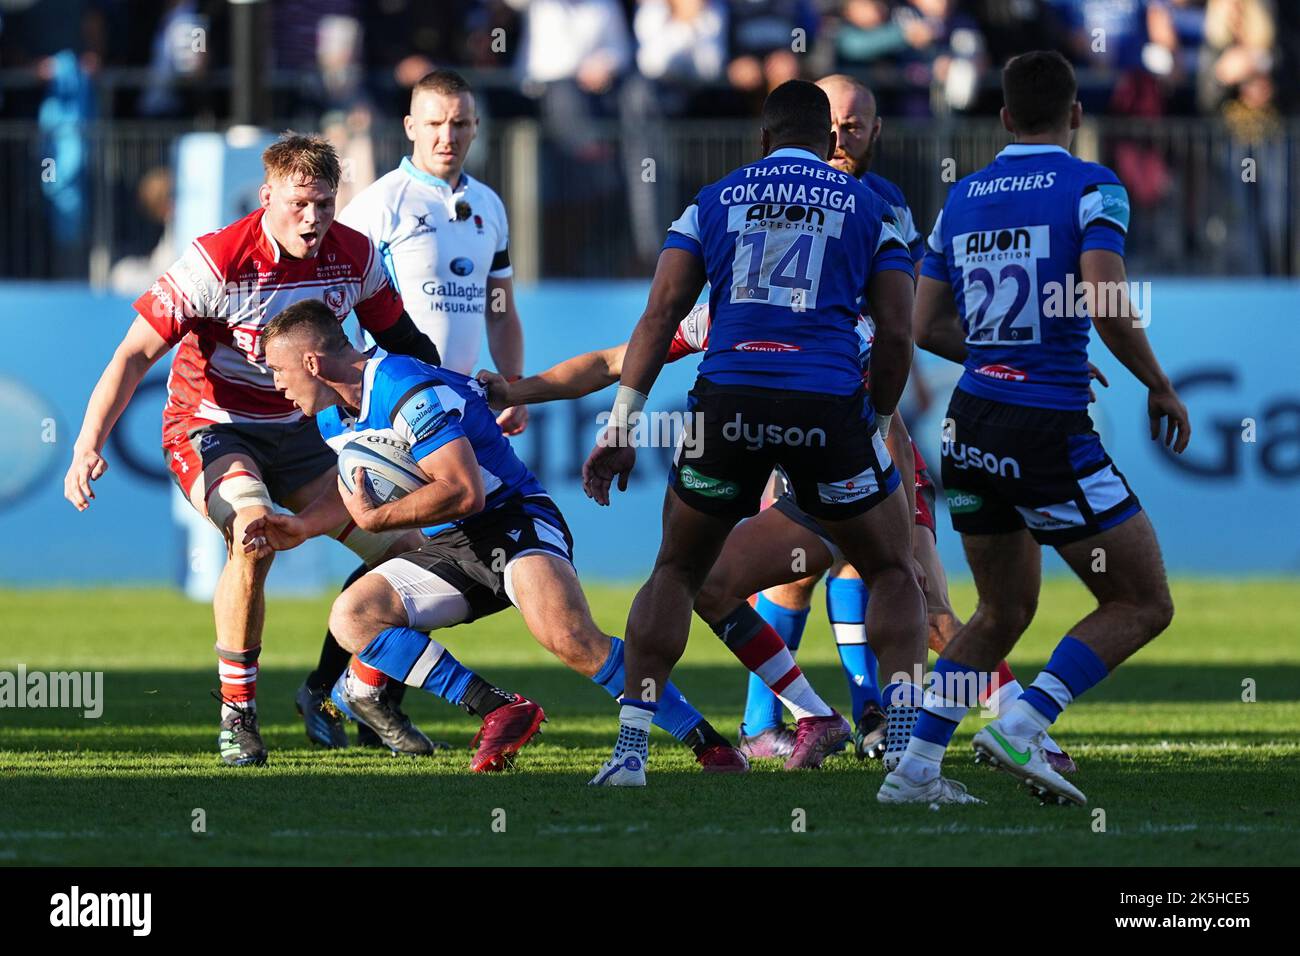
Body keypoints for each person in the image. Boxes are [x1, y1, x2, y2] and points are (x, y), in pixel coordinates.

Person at [581, 80, 927, 787]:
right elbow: (898, 330)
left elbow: (658, 316)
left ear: (763, 139)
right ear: (829, 141)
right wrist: (881, 421)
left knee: (676, 570)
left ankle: (630, 756)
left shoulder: (714, 199)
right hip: (827, 404)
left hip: (730, 402)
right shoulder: (871, 205)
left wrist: (621, 424)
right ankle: (905, 756)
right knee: (892, 568)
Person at [62, 132, 444, 767]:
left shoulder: (354, 254)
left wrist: (459, 402)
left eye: (325, 203)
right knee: (254, 533)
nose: (314, 218)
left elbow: (405, 343)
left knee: (414, 549)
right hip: (213, 427)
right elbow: (133, 354)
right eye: (299, 203)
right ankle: (237, 715)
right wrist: (86, 445)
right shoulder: (216, 262)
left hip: (301, 433)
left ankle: (362, 688)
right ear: (266, 196)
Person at [244, 300, 749, 774]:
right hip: (452, 545)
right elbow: (360, 486)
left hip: (514, 520)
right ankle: (500, 710)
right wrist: (305, 525)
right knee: (353, 616)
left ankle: (709, 743)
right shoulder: (333, 413)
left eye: (278, 370)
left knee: (570, 638)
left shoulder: (402, 387)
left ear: (311, 363)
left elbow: (465, 493)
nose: (276, 384)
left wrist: (378, 522)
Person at [880, 50, 1190, 807]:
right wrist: (1158, 382)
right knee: (1142, 601)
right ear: (1076, 116)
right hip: (1045, 426)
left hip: (971, 423)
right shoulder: (1091, 186)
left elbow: (925, 325)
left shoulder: (965, 198)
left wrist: (998, 351)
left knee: (1002, 610)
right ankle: (1024, 721)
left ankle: (915, 769)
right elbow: (1107, 300)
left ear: (1005, 118)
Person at [294, 68, 530, 751]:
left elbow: (500, 306)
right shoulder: (380, 205)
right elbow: (342, 306)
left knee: (422, 556)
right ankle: (335, 690)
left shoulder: (488, 205)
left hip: (459, 414)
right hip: (390, 410)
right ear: (409, 128)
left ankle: (353, 693)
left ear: (475, 128)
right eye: (434, 123)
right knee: (407, 549)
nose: (447, 136)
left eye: (459, 124)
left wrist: (510, 384)